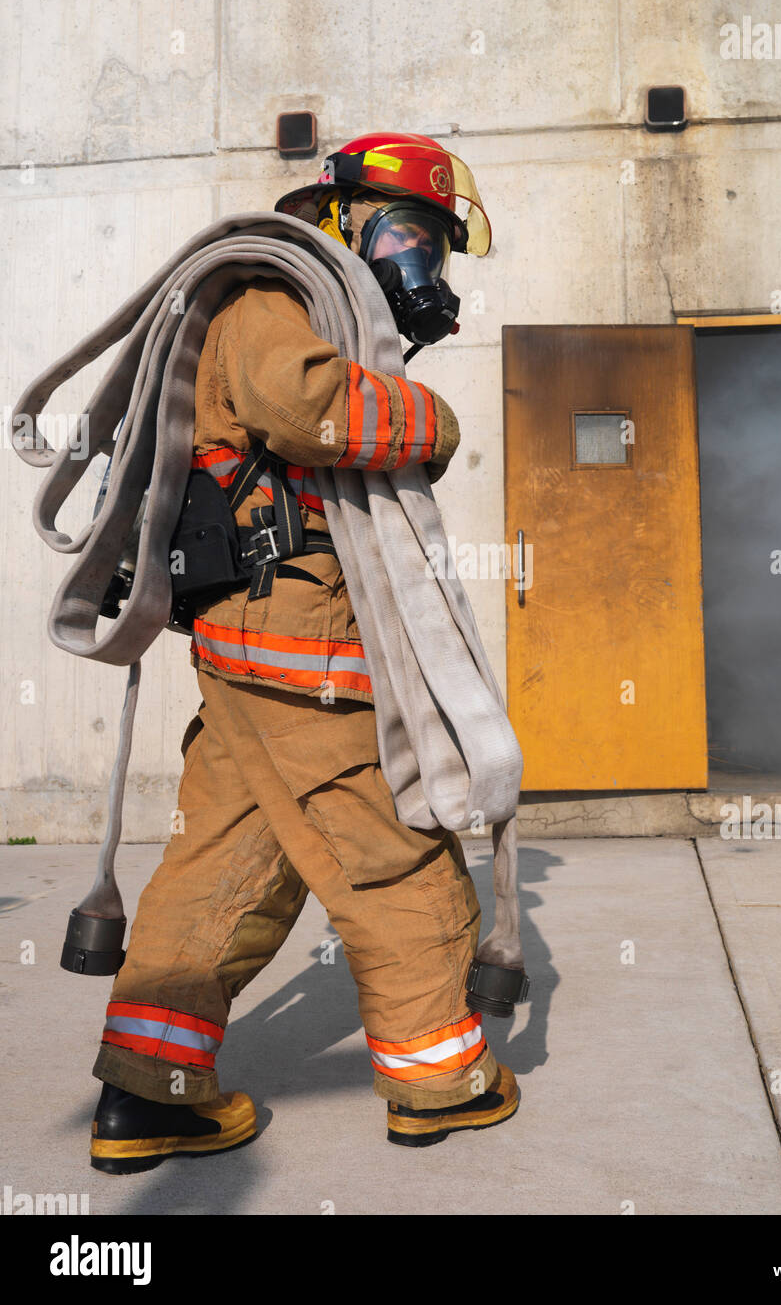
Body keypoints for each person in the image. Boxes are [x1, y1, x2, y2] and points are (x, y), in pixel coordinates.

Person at [88, 133, 519, 1174]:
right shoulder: (271, 299)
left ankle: (150, 1095)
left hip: (251, 649)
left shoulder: (278, 304)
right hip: (302, 653)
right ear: (341, 219)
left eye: (433, 247)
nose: (423, 265)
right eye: (411, 234)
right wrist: (438, 419)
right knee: (394, 855)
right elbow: (309, 408)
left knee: (222, 864)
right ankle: (439, 1078)